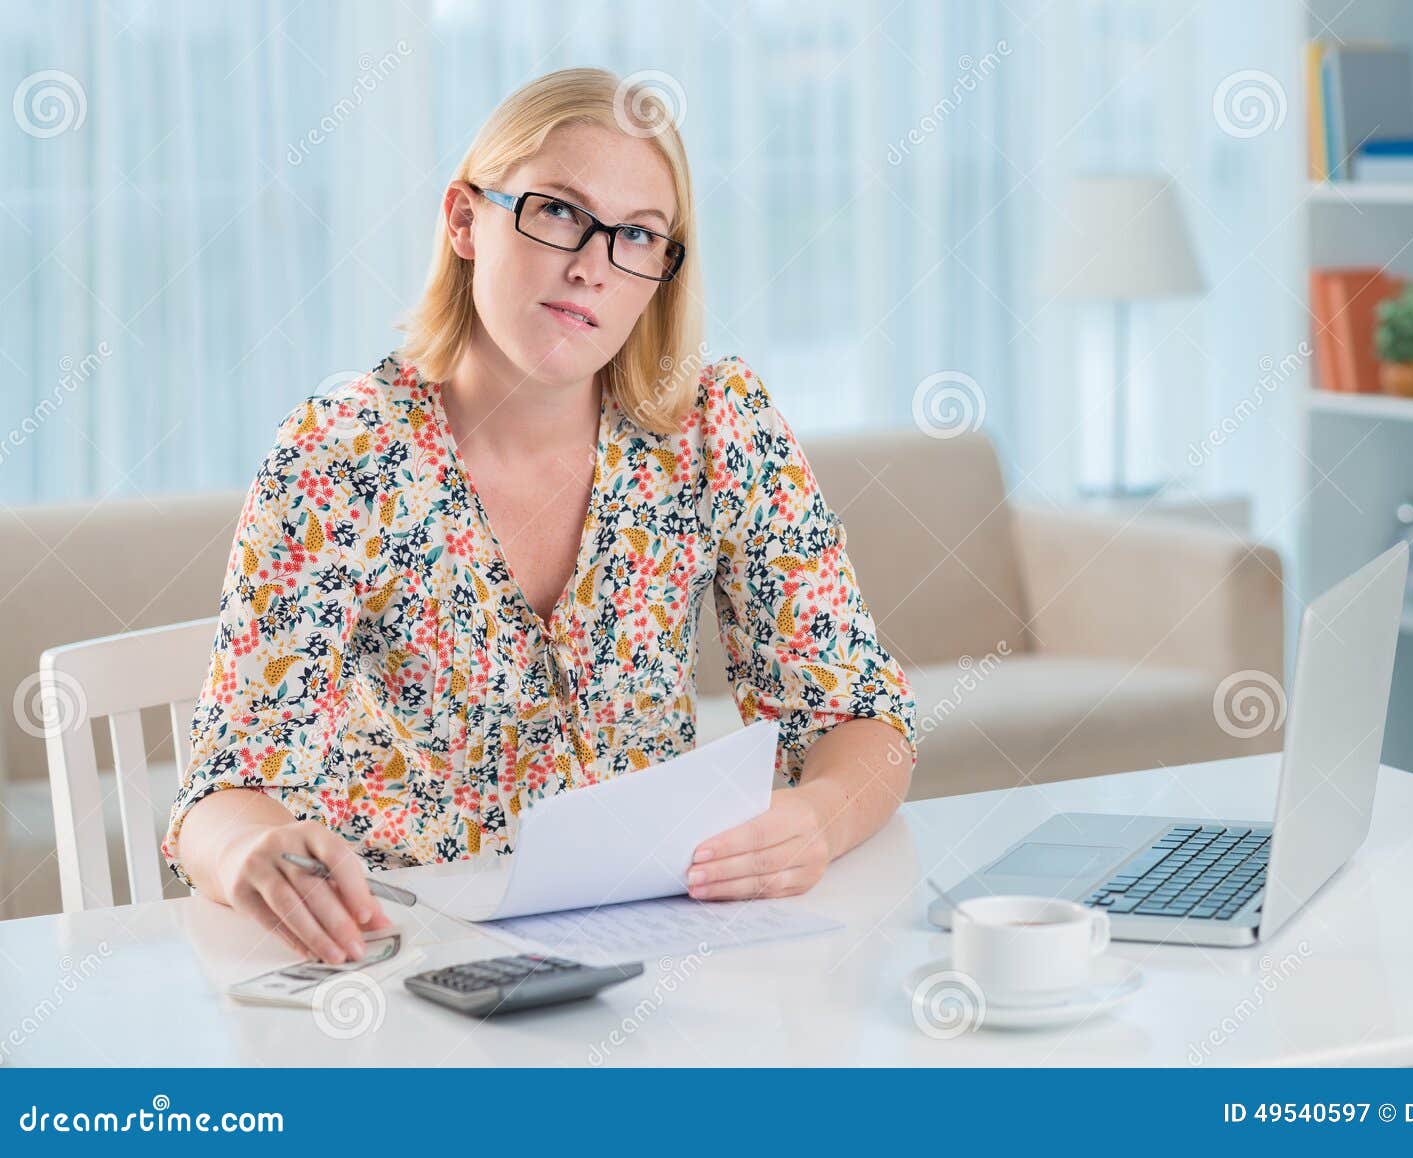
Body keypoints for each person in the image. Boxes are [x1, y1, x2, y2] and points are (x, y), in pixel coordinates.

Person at [162, 68, 918, 965]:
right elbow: (223, 790)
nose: (592, 264)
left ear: (660, 273)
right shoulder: (342, 454)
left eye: (638, 234)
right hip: (407, 952)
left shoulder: (717, 425)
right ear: (464, 220)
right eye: (559, 210)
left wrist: (815, 819)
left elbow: (858, 715)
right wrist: (252, 849)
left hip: (651, 945)